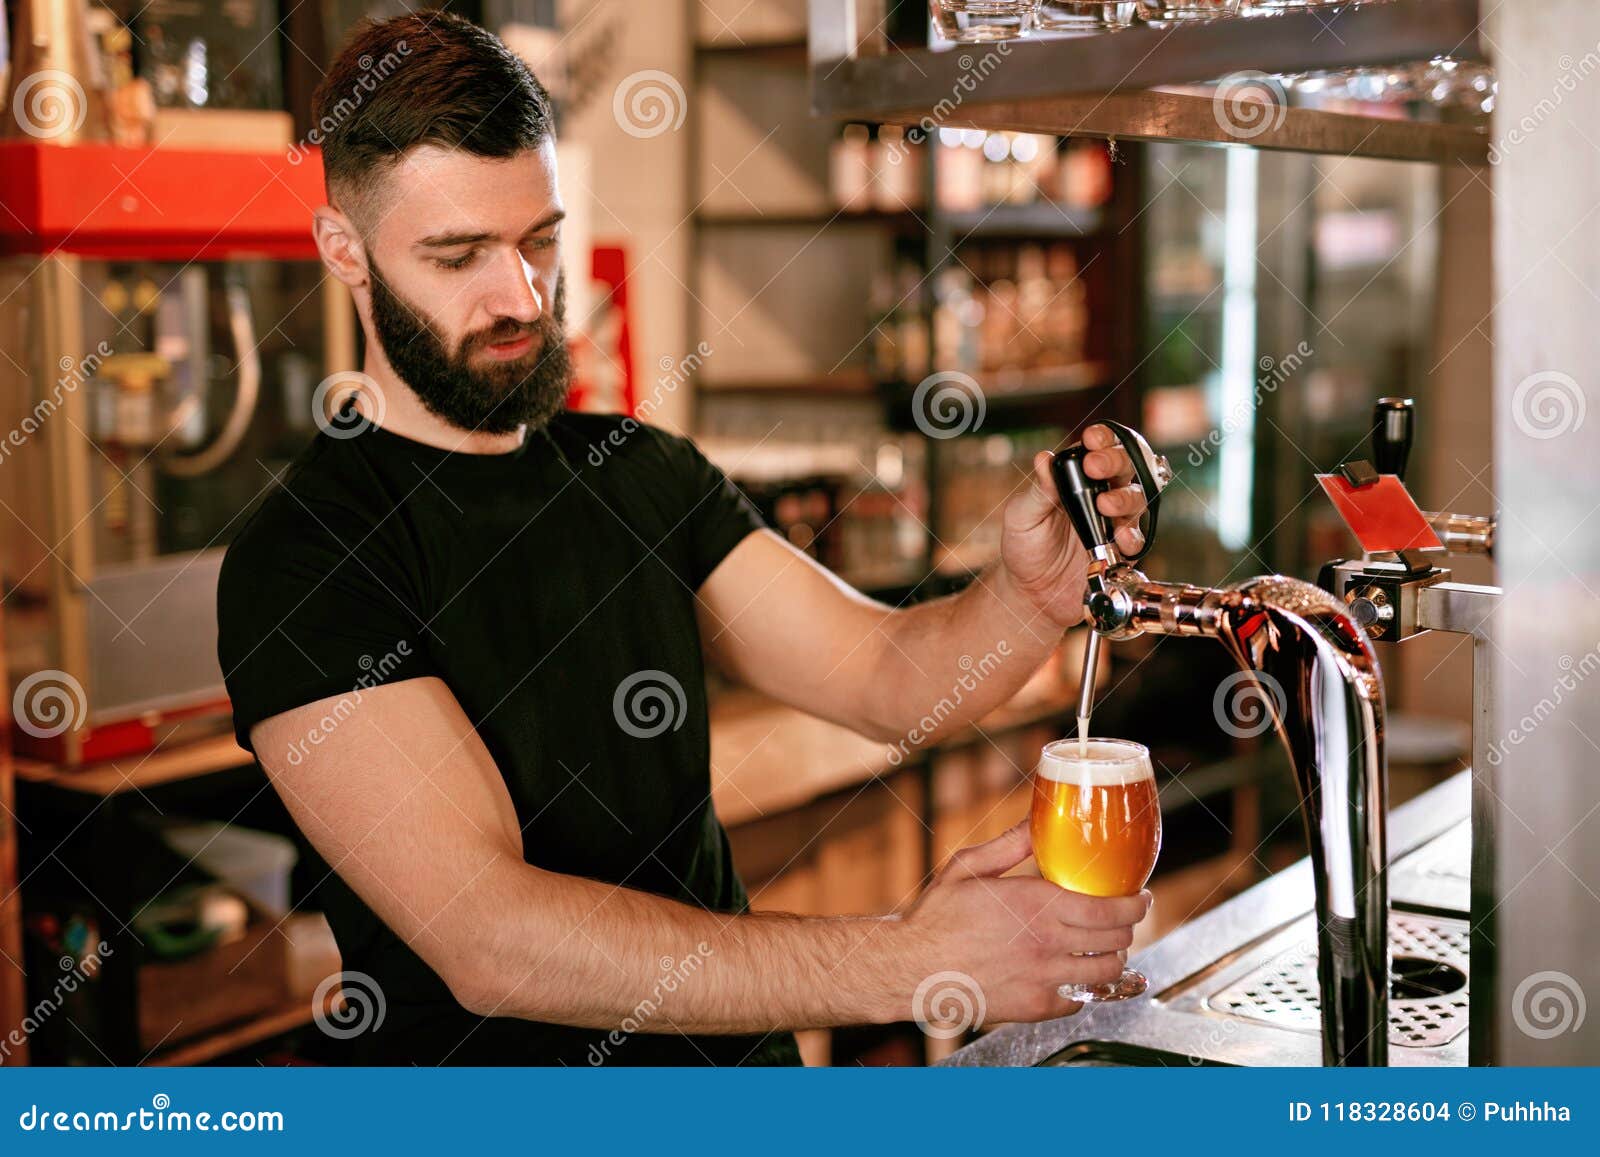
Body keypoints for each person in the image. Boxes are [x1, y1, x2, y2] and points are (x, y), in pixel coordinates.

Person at [217, 10, 1152, 1066]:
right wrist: (909, 953)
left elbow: (891, 674)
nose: (520, 295)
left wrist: (1026, 595)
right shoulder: (304, 557)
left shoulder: (635, 468)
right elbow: (493, 940)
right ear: (346, 251)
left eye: (538, 239)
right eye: (457, 254)